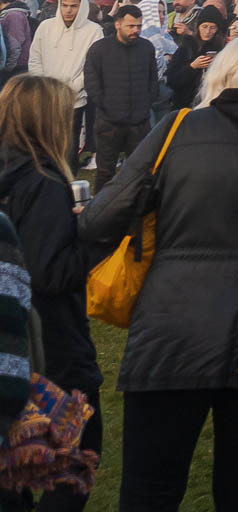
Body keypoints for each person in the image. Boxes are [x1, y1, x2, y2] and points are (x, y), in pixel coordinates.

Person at [80, 34, 238, 512]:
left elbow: (99, 217)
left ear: (219, 74)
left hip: (176, 323)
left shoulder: (180, 129)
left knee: (151, 485)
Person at [0, 75, 103, 511]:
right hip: (52, 344)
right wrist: (92, 237)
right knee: (74, 461)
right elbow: (47, 272)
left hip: (15, 343)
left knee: (14, 464)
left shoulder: (13, 172)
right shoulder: (43, 183)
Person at [82, 3, 160, 181]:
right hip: (109, 123)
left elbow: (152, 80)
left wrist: (146, 105)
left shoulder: (146, 48)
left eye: (139, 26)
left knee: (139, 171)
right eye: (130, 26)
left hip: (139, 122)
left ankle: (137, 207)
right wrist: (105, 106)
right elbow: (92, 82)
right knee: (105, 172)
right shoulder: (100, 49)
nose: (135, 30)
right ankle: (102, 207)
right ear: (118, 24)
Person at [27, 0, 101, 166]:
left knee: (69, 145)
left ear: (82, 6)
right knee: (44, 143)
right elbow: (35, 59)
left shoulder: (94, 31)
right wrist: (43, 86)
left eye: (74, 6)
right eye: (65, 5)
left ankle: (68, 184)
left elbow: (92, 67)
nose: (68, 10)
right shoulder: (45, 27)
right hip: (45, 96)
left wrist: (73, 87)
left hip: (74, 99)